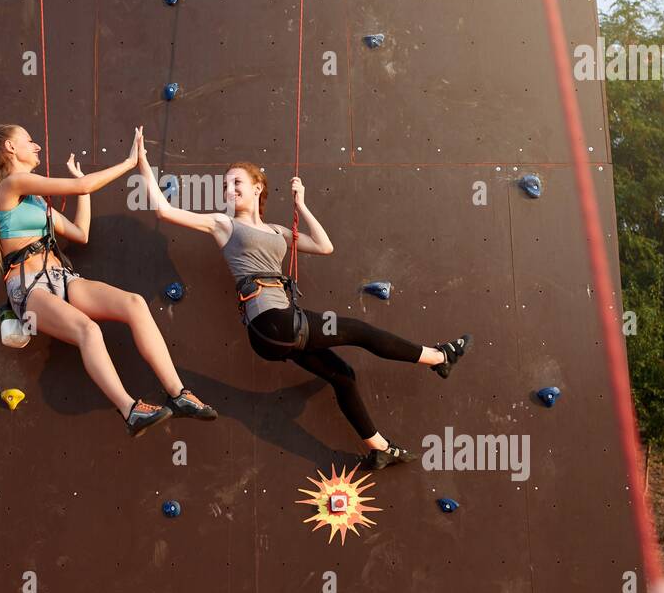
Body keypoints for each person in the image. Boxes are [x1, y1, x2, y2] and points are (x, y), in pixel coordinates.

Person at [135, 148, 469, 468]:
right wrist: (143, 161)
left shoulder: (277, 230)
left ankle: (379, 449)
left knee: (344, 377)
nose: (229, 189)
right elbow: (165, 210)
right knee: (361, 331)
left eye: (236, 183)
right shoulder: (224, 225)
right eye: (226, 185)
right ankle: (440, 357)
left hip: (278, 332)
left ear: (257, 187)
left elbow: (325, 246)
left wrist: (302, 205)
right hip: (273, 322)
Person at [0, 124, 216, 436]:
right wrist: (130, 163)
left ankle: (179, 394)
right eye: (30, 141)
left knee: (134, 304)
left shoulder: (36, 203)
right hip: (29, 287)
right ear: (9, 148)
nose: (37, 147)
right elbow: (86, 186)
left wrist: (80, 187)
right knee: (87, 330)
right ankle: (130, 410)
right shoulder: (11, 185)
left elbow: (80, 233)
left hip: (61, 277)